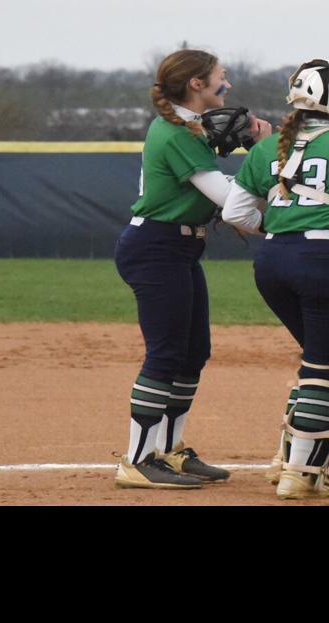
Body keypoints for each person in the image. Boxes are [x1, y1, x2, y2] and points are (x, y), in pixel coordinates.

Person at [114, 48, 272, 489]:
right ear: (197, 84)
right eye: (221, 76)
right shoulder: (176, 132)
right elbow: (228, 199)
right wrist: (264, 159)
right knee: (165, 354)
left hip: (178, 247)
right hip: (155, 247)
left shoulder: (188, 128)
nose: (229, 84)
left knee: (193, 353)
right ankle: (137, 459)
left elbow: (226, 201)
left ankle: (170, 450)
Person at [223, 59, 329, 499]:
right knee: (326, 366)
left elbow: (236, 213)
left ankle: (292, 457)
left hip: (273, 259)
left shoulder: (269, 146)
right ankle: (298, 473)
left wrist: (284, 225)